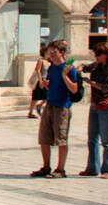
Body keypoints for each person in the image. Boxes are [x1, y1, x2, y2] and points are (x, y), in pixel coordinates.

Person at [32, 40, 80, 178]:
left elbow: (74, 89)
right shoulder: (52, 68)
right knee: (44, 138)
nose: (51, 55)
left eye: (54, 52)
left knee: (61, 139)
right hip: (50, 105)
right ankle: (46, 166)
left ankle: (60, 169)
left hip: (62, 107)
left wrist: (65, 76)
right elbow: (49, 85)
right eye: (50, 52)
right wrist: (46, 84)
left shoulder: (69, 69)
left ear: (62, 53)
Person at [78, 42, 108, 178]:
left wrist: (91, 83)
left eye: (98, 55)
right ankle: (92, 168)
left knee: (107, 141)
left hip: (106, 104)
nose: (96, 57)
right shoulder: (97, 65)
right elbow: (87, 68)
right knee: (92, 139)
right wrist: (80, 67)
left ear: (106, 55)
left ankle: (107, 170)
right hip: (95, 104)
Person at [27, 43, 49, 119]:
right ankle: (30, 112)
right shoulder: (41, 60)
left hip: (46, 80)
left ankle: (39, 105)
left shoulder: (48, 61)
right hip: (39, 80)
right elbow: (38, 70)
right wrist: (40, 81)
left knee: (48, 96)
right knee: (35, 97)